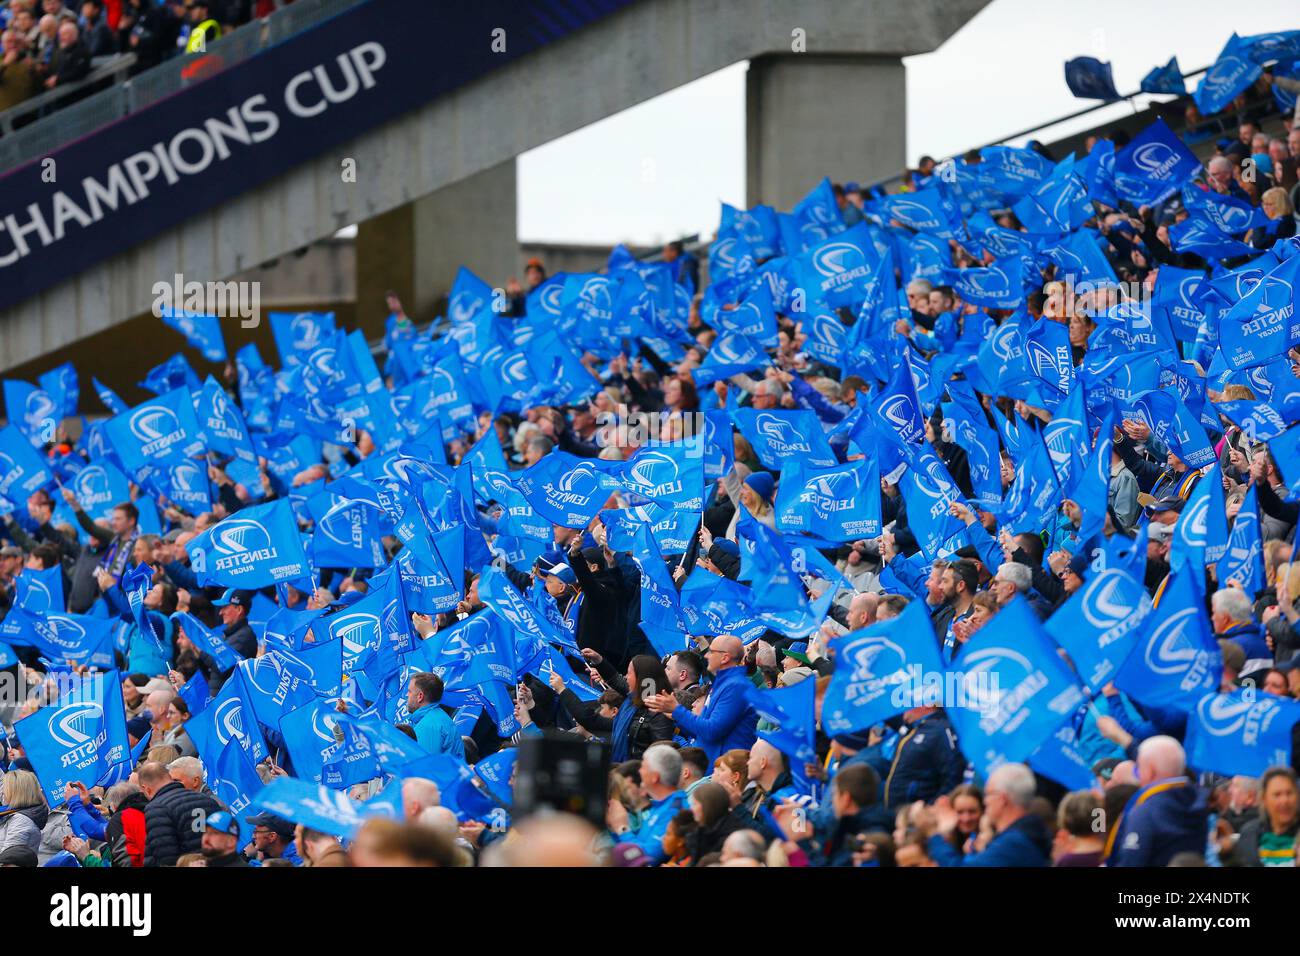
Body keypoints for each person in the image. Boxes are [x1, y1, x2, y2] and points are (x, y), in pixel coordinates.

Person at [646, 634, 757, 762]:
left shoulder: (736, 686)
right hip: (715, 767)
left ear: (725, 657)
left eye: (711, 651)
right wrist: (676, 716)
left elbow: (712, 731)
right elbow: (702, 733)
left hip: (726, 771)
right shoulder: (723, 684)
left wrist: (677, 710)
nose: (706, 655)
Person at [920, 763, 1053, 867]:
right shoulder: (1021, 835)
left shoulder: (1015, 842)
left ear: (1002, 800)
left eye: (988, 794)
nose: (985, 801)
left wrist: (933, 834)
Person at [1106, 736, 1208, 867]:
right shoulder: (1198, 802)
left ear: (1150, 771)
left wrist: (1096, 810)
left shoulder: (1146, 812)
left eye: (1139, 770)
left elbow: (1131, 861)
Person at [551, 652, 674, 761]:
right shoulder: (635, 700)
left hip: (638, 777)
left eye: (629, 673)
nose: (625, 676)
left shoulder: (658, 713)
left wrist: (562, 690)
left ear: (641, 679)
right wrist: (599, 661)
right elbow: (617, 681)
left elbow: (661, 757)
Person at [607, 743, 688, 866]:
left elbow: (647, 857)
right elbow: (629, 847)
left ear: (655, 777)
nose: (639, 771)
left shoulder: (675, 810)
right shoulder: (659, 806)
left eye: (643, 767)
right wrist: (612, 827)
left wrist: (622, 828)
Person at [138, 760, 223, 867]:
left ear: (146, 789)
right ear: (169, 777)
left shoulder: (157, 808)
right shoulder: (207, 800)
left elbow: (166, 856)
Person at [1227, 767, 1299, 867]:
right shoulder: (1249, 835)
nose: (1284, 801)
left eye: (1289, 793)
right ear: (1264, 799)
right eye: (1277, 795)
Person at [406, 672, 465, 758]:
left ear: (420, 696)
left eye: (409, 691)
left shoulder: (429, 725)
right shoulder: (435, 718)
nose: (407, 695)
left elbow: (424, 766)